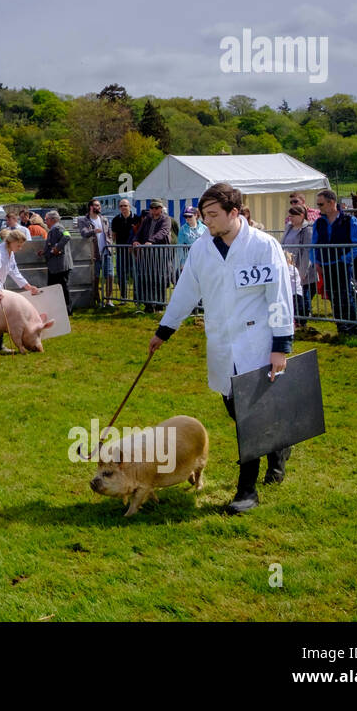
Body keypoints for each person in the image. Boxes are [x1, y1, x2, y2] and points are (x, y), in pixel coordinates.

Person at [149, 182, 294, 514]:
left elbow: (279, 297)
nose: (207, 221)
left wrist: (281, 346)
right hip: (222, 344)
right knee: (235, 411)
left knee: (249, 419)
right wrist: (165, 330)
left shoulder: (263, 246)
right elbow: (186, 291)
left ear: (234, 212)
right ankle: (278, 449)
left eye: (213, 215)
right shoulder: (201, 249)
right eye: (204, 215)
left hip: (257, 343)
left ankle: (247, 492)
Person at [311, 189, 357, 336]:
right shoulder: (319, 222)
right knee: (333, 296)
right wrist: (316, 262)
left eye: (321, 204)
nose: (319, 207)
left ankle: (353, 327)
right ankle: (341, 326)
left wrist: (344, 259)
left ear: (331, 202)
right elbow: (313, 244)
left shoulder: (349, 220)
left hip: (342, 265)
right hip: (325, 265)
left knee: (345, 295)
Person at [132, 200, 172, 309]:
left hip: (160, 254)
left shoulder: (166, 219)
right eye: (152, 208)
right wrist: (135, 240)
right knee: (147, 278)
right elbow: (139, 232)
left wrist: (151, 241)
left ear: (161, 208)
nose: (154, 210)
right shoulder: (146, 219)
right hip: (147, 254)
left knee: (159, 279)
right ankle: (148, 304)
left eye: (157, 208)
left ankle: (159, 305)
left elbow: (163, 232)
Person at [280, 206, 316, 323]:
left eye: (293, 216)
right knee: (292, 295)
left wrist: (302, 271)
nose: (290, 219)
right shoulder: (289, 227)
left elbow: (307, 251)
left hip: (303, 267)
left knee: (302, 295)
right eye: (289, 216)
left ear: (301, 215)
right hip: (289, 266)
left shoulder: (308, 229)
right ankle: (295, 320)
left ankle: (302, 321)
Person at [76, 201, 114, 307]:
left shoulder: (104, 219)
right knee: (95, 278)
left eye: (99, 206)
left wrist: (110, 243)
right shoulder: (83, 220)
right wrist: (93, 231)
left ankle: (108, 300)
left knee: (110, 276)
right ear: (91, 207)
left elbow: (109, 233)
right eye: (97, 205)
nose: (99, 207)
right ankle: (96, 299)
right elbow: (84, 233)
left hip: (106, 252)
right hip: (94, 253)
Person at [39, 210, 73, 313]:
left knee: (62, 287)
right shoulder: (55, 228)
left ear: (52, 220)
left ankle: (67, 309)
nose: (45, 222)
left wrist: (57, 248)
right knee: (53, 287)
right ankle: (56, 308)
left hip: (60, 265)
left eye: (46, 220)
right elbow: (51, 244)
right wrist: (44, 251)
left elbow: (67, 236)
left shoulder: (58, 228)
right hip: (55, 266)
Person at [111, 199, 139, 300]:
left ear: (129, 207)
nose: (123, 208)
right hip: (121, 252)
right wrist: (112, 247)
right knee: (121, 275)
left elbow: (139, 234)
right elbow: (114, 235)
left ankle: (137, 297)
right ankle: (124, 297)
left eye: (125, 206)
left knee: (135, 274)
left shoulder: (136, 218)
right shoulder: (115, 220)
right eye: (121, 206)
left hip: (134, 252)